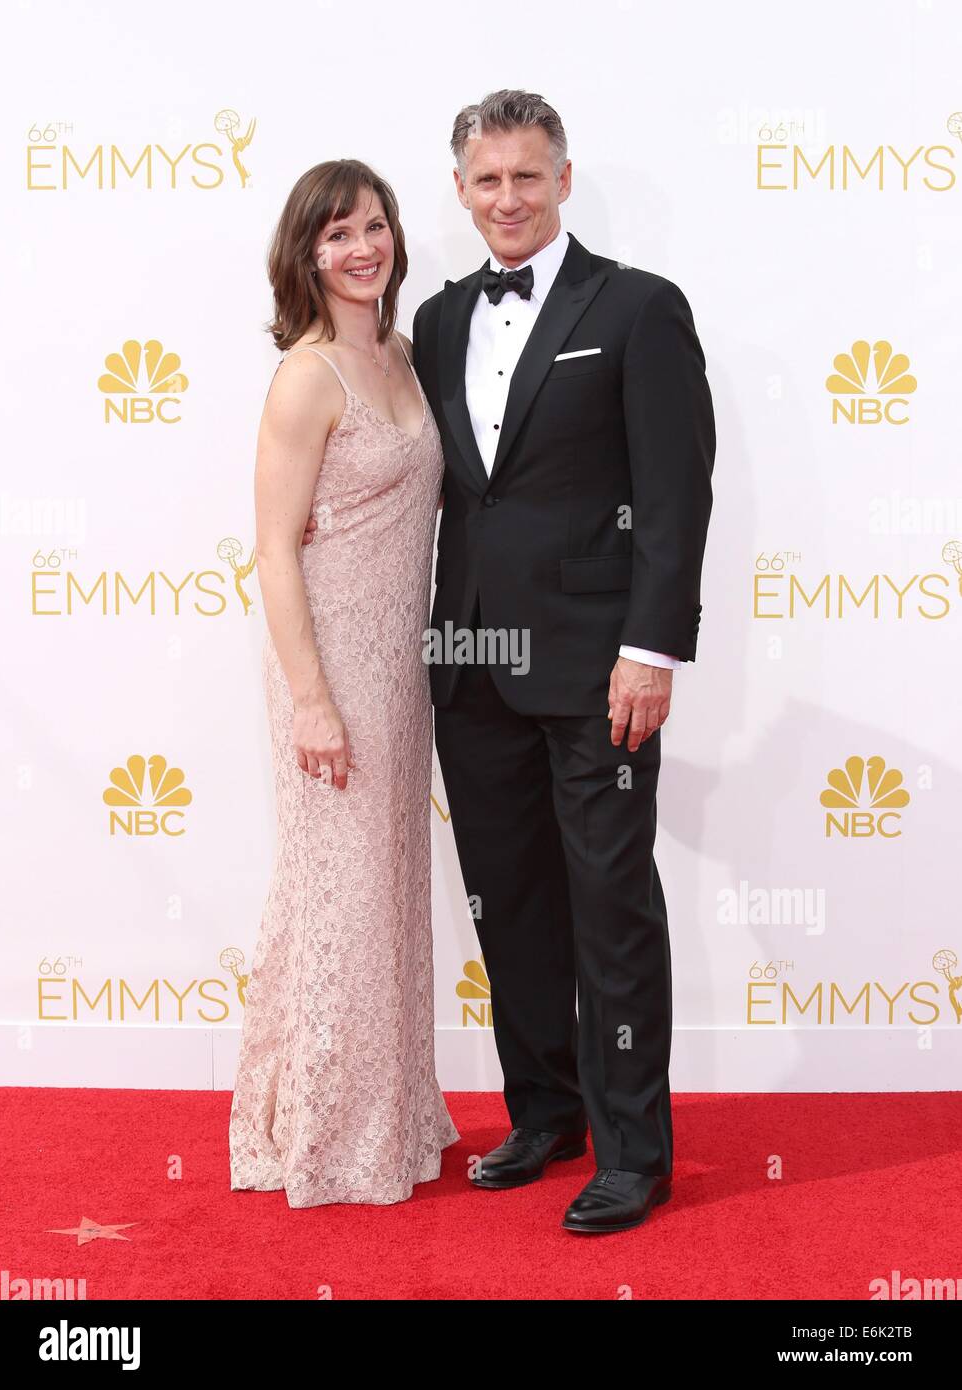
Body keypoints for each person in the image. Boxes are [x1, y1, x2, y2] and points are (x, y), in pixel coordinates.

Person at [410, 90, 716, 1233]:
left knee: (609, 905)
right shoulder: (437, 319)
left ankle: (635, 1151)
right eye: (487, 180)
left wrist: (651, 648)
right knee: (511, 904)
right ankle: (545, 1110)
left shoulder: (637, 307)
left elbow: (675, 493)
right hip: (471, 659)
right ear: (460, 190)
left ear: (564, 179)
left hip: (599, 667)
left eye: (527, 176)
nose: (508, 198)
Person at [228, 159, 459, 1208]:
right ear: (306, 255)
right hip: (327, 669)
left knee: (383, 891)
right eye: (337, 234)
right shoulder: (307, 375)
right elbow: (274, 549)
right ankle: (322, 1131)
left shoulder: (400, 354)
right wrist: (312, 700)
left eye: (374, 226)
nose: (361, 248)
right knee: (336, 894)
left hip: (399, 670)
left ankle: (389, 1111)